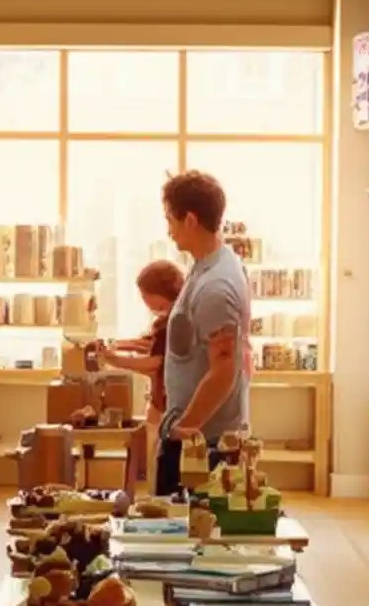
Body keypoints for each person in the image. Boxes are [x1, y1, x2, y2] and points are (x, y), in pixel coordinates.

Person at [155, 171, 252, 492]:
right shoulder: (209, 265)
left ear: (190, 220)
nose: (168, 230)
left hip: (202, 445)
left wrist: (183, 429)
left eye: (170, 219)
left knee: (183, 522)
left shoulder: (215, 286)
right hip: (197, 437)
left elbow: (224, 371)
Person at [96, 260, 185, 490]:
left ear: (157, 295)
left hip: (168, 403)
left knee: (158, 463)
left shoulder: (172, 321)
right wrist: (116, 345)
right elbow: (149, 344)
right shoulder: (171, 317)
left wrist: (114, 359)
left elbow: (155, 364)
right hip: (164, 401)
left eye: (145, 295)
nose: (144, 301)